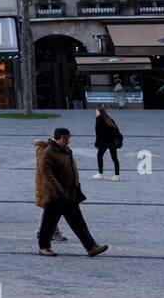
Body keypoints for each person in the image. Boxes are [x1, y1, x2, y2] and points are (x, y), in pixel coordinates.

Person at [35, 128, 109, 258]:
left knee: (78, 222)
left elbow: (71, 169)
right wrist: (57, 188)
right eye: (65, 138)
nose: (68, 141)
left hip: (69, 194)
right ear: (58, 138)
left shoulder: (67, 151)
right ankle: (44, 247)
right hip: (55, 195)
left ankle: (91, 247)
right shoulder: (48, 152)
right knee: (48, 223)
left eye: (68, 138)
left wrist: (76, 185)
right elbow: (46, 173)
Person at [93, 107, 123, 181]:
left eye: (96, 111)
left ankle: (100, 174)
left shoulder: (99, 119)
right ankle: (117, 175)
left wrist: (97, 144)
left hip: (104, 142)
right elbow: (117, 130)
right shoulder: (109, 119)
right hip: (112, 141)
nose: (96, 113)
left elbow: (98, 133)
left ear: (99, 112)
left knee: (99, 156)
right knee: (114, 158)